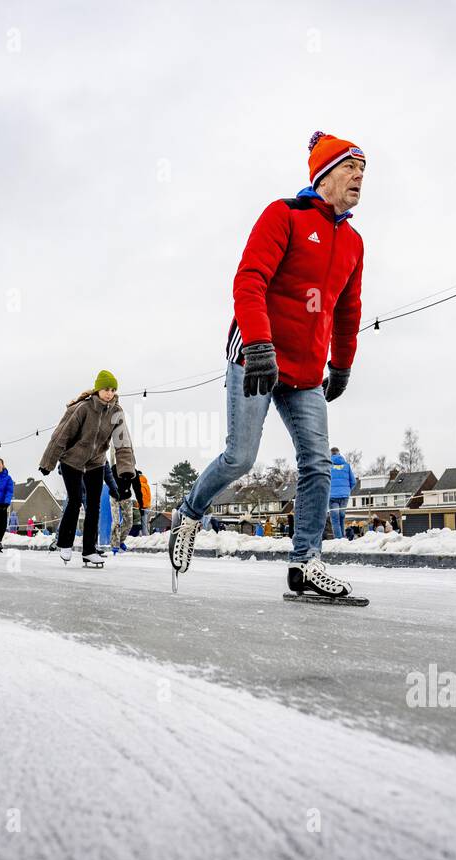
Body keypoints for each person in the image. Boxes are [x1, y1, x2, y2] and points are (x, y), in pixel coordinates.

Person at [169, 131, 365, 599]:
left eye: (365, 171)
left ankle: (304, 563)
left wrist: (341, 366)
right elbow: (250, 278)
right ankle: (190, 514)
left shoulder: (354, 242)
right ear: (323, 174)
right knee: (241, 457)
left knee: (318, 464)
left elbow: (347, 310)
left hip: (305, 370)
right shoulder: (285, 215)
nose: (359, 177)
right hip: (256, 354)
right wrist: (258, 343)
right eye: (350, 168)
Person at [39, 371, 137, 568]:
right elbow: (61, 435)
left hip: (96, 462)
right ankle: (65, 543)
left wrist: (126, 470)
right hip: (72, 460)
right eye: (106, 389)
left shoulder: (116, 412)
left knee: (94, 505)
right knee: (75, 501)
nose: (109, 393)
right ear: (98, 389)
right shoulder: (83, 408)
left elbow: (123, 442)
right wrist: (48, 463)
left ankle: (89, 551)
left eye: (113, 390)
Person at [107, 460, 135, 554]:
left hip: (126, 497)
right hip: (114, 496)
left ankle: (121, 540)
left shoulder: (132, 471)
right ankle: (115, 544)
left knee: (129, 522)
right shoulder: (114, 468)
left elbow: (137, 486)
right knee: (116, 522)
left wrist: (141, 503)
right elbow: (108, 479)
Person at [329, 447, 355, 540]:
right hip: (344, 495)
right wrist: (347, 490)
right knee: (342, 516)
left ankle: (338, 539)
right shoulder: (347, 466)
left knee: (335, 518)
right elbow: (353, 482)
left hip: (332, 496)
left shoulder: (328, 465)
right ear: (339, 453)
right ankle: (342, 538)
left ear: (331, 454)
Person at [132, 470, 151, 536]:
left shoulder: (141, 485)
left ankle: (145, 538)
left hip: (143, 507)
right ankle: (145, 537)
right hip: (147, 506)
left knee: (143, 525)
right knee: (144, 524)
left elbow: (143, 497)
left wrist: (141, 506)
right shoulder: (146, 484)